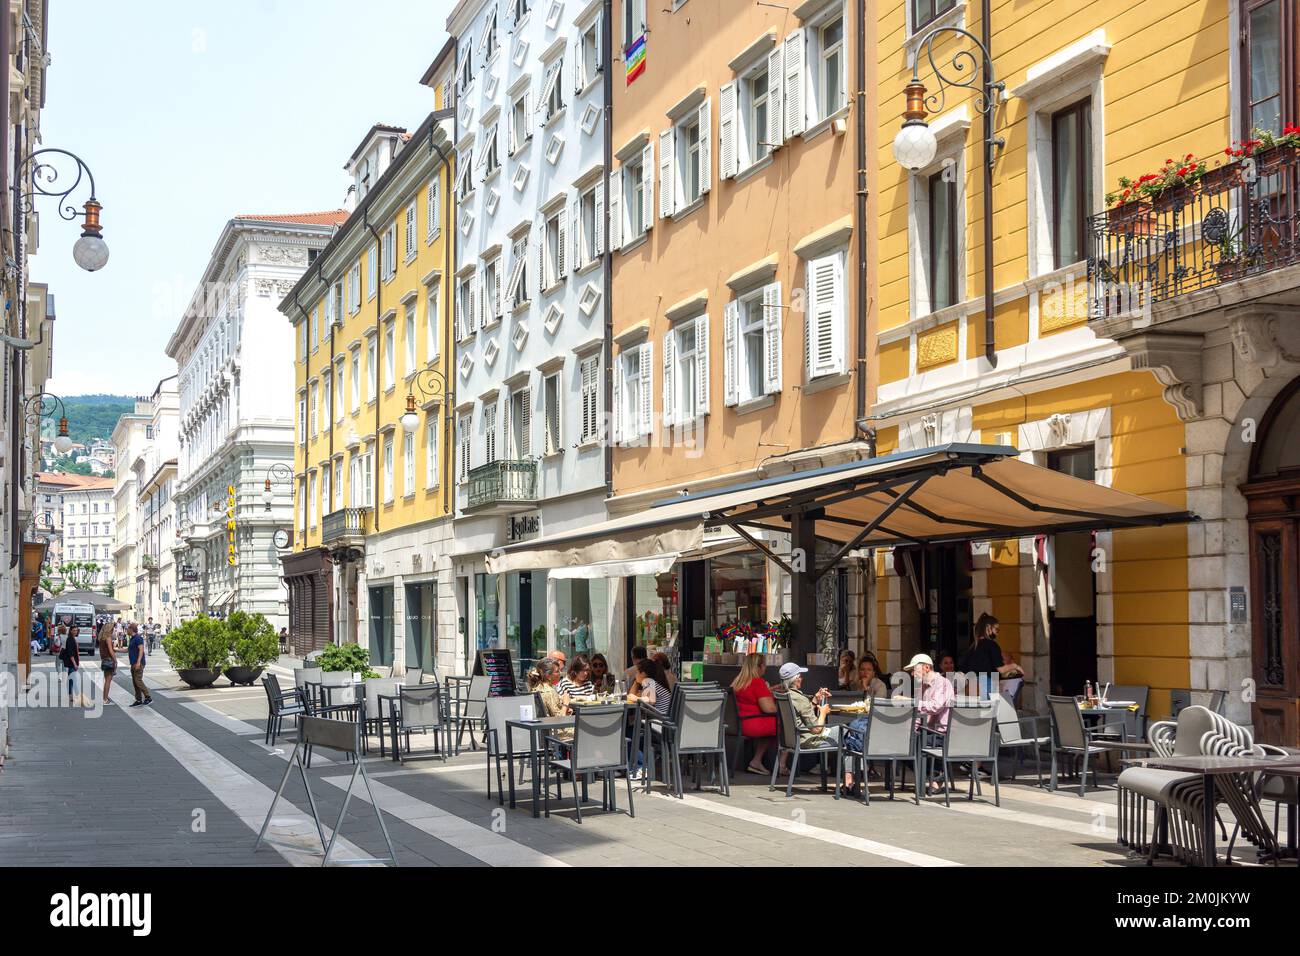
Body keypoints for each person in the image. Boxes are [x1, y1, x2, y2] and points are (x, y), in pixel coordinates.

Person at [779, 662, 851, 788]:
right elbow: (817, 729)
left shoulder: (787, 695)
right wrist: (822, 713)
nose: (802, 678)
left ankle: (849, 780)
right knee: (850, 733)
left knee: (849, 733)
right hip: (809, 740)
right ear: (795, 679)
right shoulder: (800, 698)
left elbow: (801, 717)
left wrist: (814, 700)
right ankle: (850, 781)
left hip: (793, 739)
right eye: (800, 676)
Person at [730, 652, 778, 773]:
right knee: (782, 724)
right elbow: (769, 709)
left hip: (738, 724)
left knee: (773, 724)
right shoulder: (758, 682)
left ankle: (757, 761)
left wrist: (768, 691)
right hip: (753, 724)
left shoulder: (737, 682)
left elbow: (750, 697)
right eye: (764, 665)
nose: (765, 668)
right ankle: (779, 764)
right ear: (759, 666)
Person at [127, 624, 152, 707]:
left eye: (127, 629)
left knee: (138, 681)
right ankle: (138, 699)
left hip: (138, 663)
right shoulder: (132, 639)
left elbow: (141, 650)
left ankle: (148, 697)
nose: (126, 630)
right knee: (135, 682)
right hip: (133, 663)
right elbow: (128, 649)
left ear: (131, 629)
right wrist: (116, 650)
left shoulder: (138, 638)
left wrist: (138, 662)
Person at [97, 620, 117, 704]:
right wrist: (115, 660)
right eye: (112, 629)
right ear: (109, 629)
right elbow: (110, 650)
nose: (113, 630)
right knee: (108, 681)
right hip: (109, 659)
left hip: (104, 659)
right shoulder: (108, 638)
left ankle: (105, 697)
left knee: (106, 680)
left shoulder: (101, 638)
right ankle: (105, 699)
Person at [60, 627, 81, 699]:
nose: (75, 632)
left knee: (72, 678)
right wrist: (75, 664)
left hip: (73, 661)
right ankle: (73, 694)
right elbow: (70, 653)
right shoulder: (70, 639)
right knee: (72, 679)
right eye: (74, 630)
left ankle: (72, 694)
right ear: (70, 631)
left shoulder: (72, 638)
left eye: (76, 630)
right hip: (71, 662)